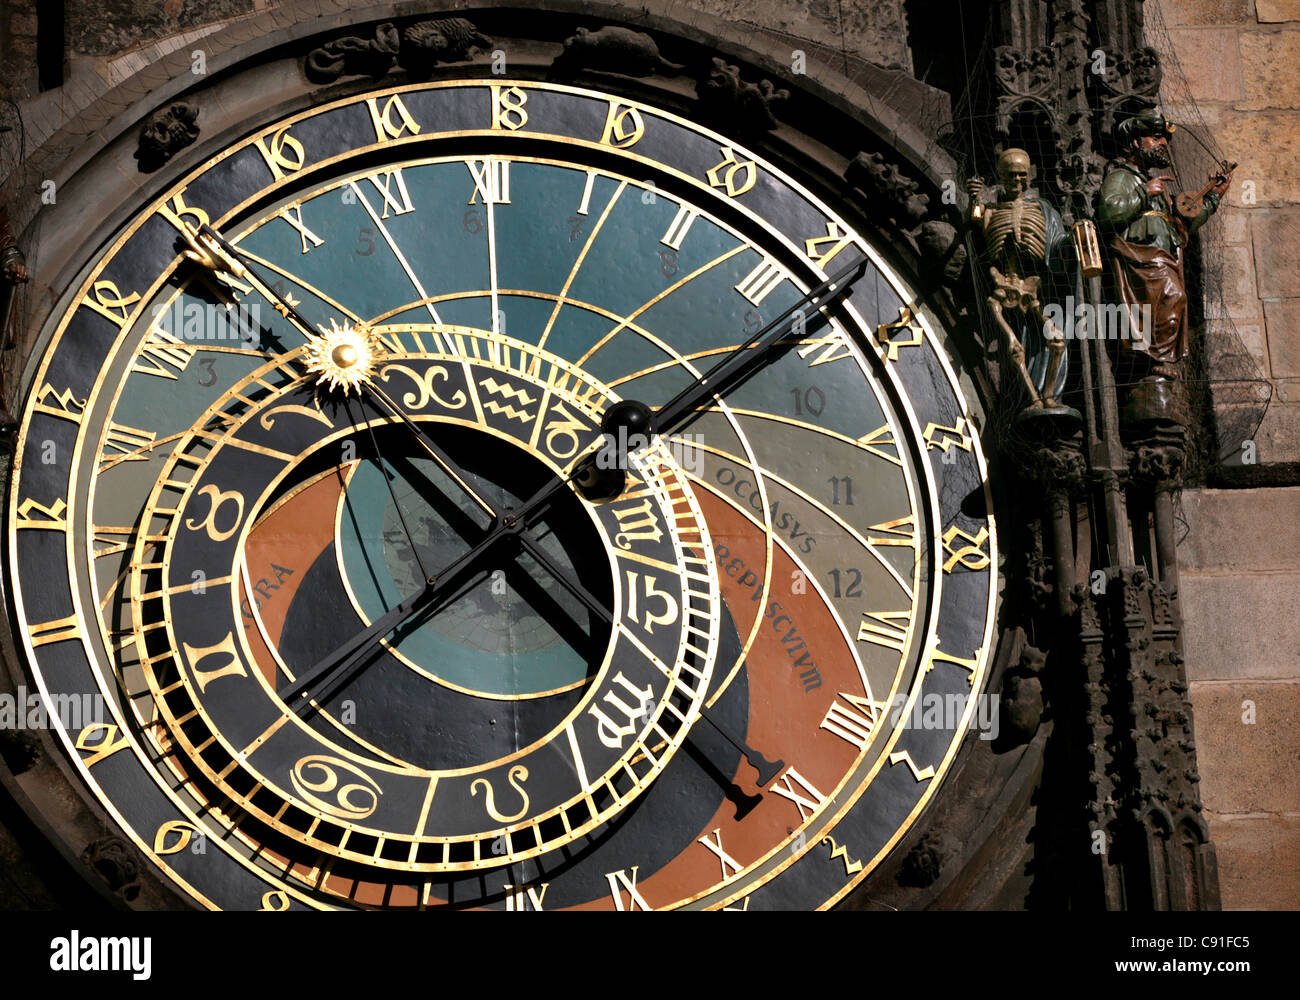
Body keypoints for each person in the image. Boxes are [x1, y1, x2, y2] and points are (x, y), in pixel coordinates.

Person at [1098, 108, 1231, 382]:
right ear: (1136, 142)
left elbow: (1180, 226)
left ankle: (1155, 357)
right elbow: (1108, 214)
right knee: (1172, 298)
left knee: (1174, 300)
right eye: (1156, 138)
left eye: (1165, 141)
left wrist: (1213, 198)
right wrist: (1143, 193)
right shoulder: (1122, 177)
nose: (1163, 145)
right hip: (1140, 260)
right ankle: (1149, 359)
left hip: (1164, 260)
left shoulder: (1157, 185)